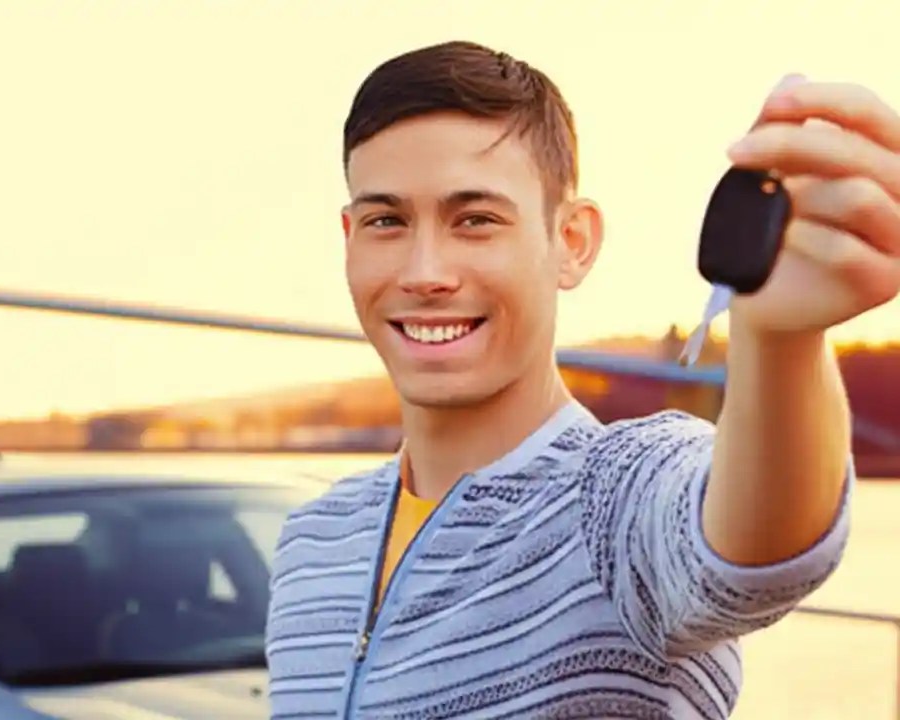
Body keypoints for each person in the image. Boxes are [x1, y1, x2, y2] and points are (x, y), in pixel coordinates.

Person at [265, 40, 900, 719]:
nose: (425, 271)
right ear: (349, 237)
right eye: (385, 221)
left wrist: (781, 340)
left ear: (572, 242)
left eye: (475, 220)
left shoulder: (614, 503)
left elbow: (747, 550)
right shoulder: (312, 539)